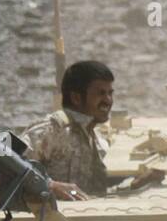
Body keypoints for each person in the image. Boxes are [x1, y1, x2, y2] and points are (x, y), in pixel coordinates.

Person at [24, 59, 115, 200]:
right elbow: (5, 163)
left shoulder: (94, 137)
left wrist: (136, 185)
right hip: (47, 219)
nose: (108, 100)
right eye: (101, 93)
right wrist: (50, 186)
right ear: (76, 98)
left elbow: (91, 193)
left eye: (110, 93)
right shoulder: (52, 130)